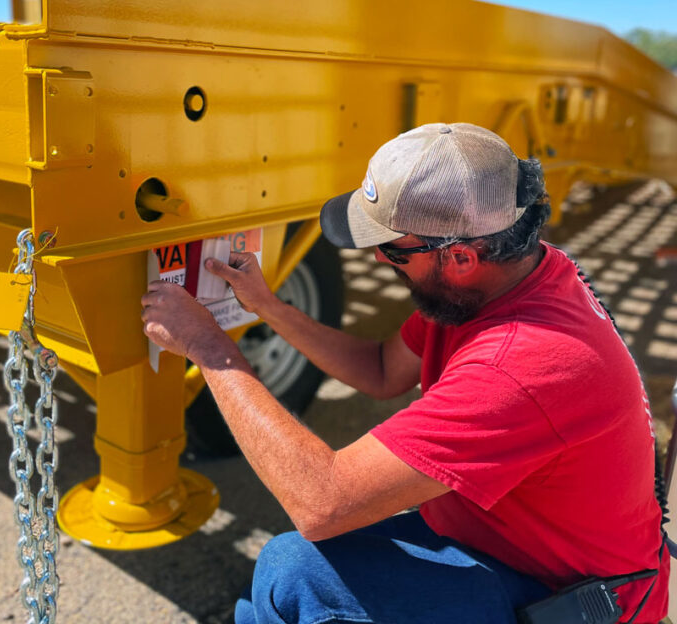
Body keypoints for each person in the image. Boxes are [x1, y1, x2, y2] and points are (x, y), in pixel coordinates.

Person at [141, 122, 668, 624]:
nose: (377, 261)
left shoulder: (520, 364)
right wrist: (269, 307)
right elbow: (380, 369)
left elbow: (321, 502)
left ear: (459, 256)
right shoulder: (498, 277)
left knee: (296, 576)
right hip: (505, 537)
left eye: (392, 249)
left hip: (566, 597)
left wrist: (206, 345)